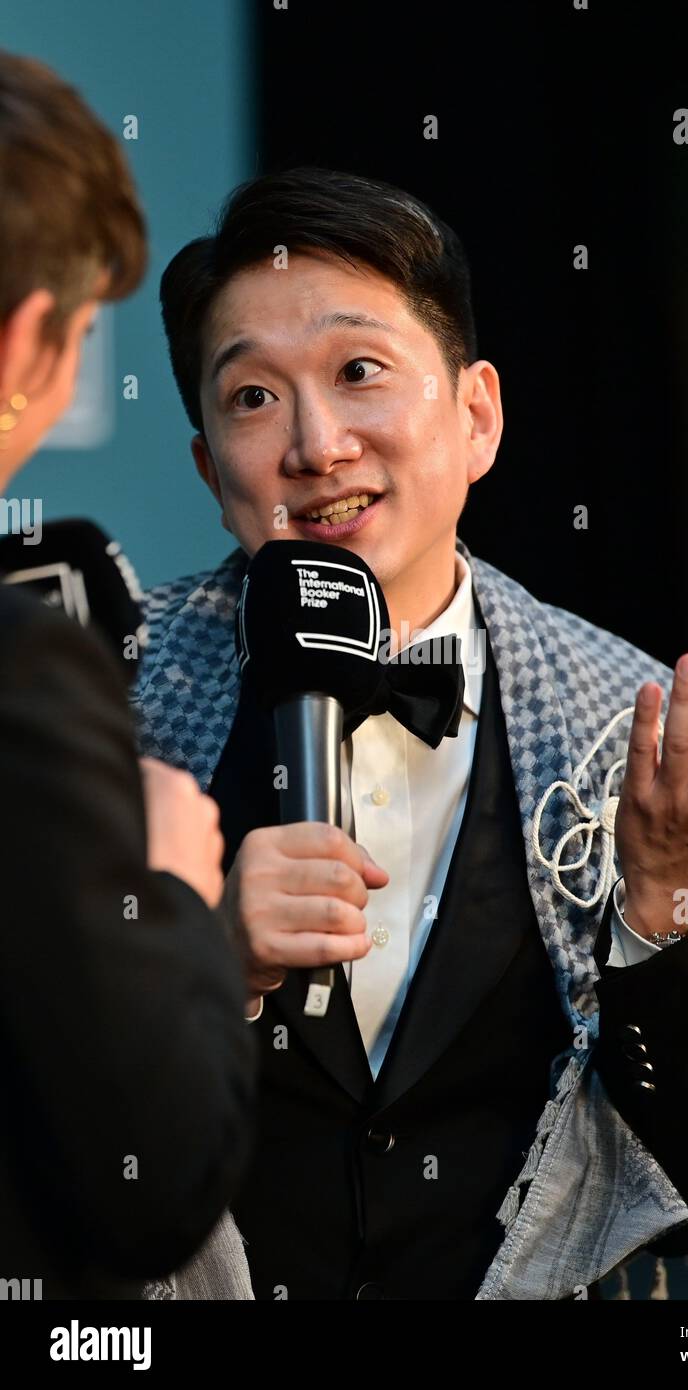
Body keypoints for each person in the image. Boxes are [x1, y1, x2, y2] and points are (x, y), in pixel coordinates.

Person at [134, 166, 688, 1300]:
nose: (316, 445)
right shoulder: (94, 697)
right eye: (254, 397)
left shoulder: (637, 726)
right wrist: (193, 965)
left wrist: (665, 929)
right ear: (212, 470)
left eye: (358, 371)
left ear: (476, 418)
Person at [0, 50, 255, 1300]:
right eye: (254, 395)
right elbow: (151, 1175)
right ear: (35, 339)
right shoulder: (36, 672)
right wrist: (168, 888)